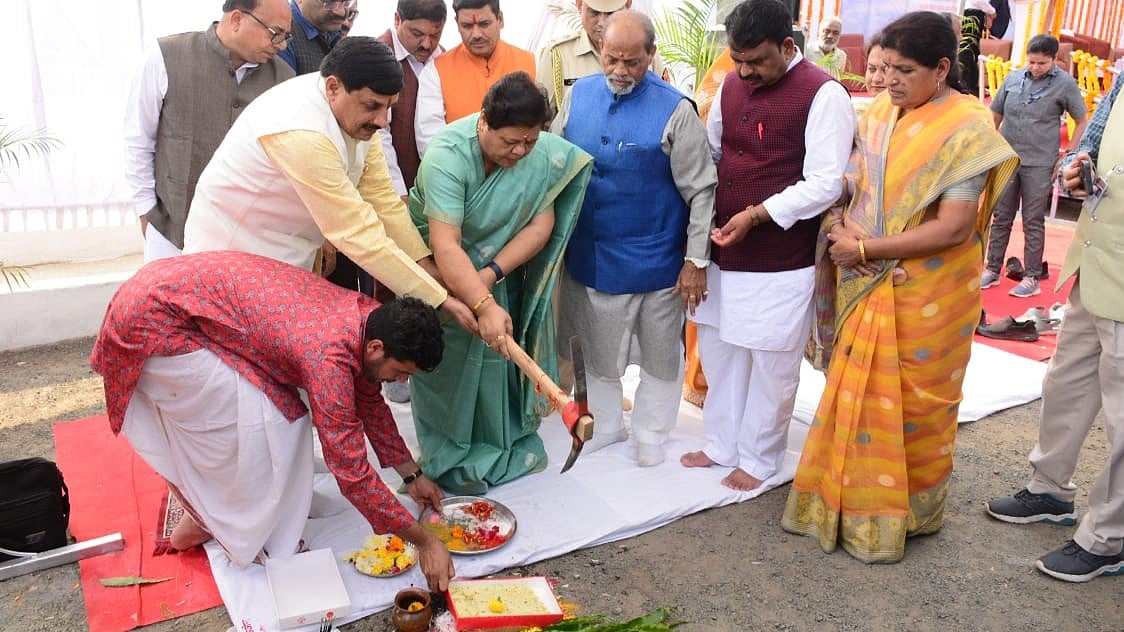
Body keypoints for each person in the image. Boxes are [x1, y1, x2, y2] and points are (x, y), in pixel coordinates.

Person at [781, 11, 1018, 564]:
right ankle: (843, 506)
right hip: (867, 278)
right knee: (855, 390)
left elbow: (954, 226)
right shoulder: (879, 114)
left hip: (927, 296)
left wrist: (864, 250)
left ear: (941, 69)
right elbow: (852, 183)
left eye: (902, 70)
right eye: (882, 67)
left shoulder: (966, 129)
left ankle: (903, 513)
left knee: (915, 405)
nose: (887, 80)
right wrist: (839, 225)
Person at [89, 251, 456, 591]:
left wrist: (413, 475)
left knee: (285, 417)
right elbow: (351, 473)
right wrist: (424, 542)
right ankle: (209, 515)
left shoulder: (368, 319)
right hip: (152, 322)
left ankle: (221, 507)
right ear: (377, 348)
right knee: (260, 422)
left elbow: (370, 402)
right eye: (401, 371)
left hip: (168, 297)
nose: (402, 382)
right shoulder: (328, 357)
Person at [678, 0, 855, 492]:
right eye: (737, 59)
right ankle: (721, 444)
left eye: (756, 60)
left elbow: (825, 183)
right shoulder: (731, 85)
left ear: (787, 46)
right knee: (719, 351)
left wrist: (757, 215)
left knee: (771, 362)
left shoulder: (823, 93)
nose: (744, 70)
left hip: (781, 259)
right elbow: (715, 152)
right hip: (722, 250)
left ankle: (760, 456)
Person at [184, 37, 475, 332]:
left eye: (389, 107)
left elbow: (380, 197)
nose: (382, 121)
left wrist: (425, 264)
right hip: (234, 257)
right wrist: (436, 297)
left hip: (286, 258)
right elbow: (357, 233)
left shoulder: (357, 112)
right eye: (373, 106)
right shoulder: (303, 132)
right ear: (333, 87)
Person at [408, 72, 593, 494]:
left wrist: (489, 280)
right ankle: (450, 456)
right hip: (437, 274)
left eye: (529, 142)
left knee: (493, 367)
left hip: (493, 271)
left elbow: (540, 225)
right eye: (510, 142)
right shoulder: (447, 156)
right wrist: (479, 302)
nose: (520, 152)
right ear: (484, 121)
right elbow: (446, 244)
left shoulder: (538, 154)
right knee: (446, 367)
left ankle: (497, 446)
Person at [553, 10, 716, 466]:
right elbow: (552, 163)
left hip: (657, 263)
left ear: (651, 54)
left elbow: (702, 190)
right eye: (611, 60)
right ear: (599, 48)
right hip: (592, 258)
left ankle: (651, 433)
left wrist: (695, 260)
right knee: (599, 354)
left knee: (661, 358)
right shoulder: (578, 95)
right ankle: (607, 426)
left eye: (632, 62)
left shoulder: (676, 109)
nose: (620, 72)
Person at [986, 75, 1124, 583]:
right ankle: (1049, 488)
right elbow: (1091, 141)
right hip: (1096, 261)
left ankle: (1109, 537)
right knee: (1066, 382)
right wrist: (1075, 169)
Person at [123, 0, 295, 262]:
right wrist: (146, 210)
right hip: (171, 233)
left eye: (286, 36)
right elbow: (138, 140)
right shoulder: (166, 56)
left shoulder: (284, 80)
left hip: (248, 242)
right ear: (237, 20)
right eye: (275, 34)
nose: (281, 45)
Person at [982, 34, 1088, 299]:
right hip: (1007, 158)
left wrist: (1068, 155)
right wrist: (987, 145)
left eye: (1042, 63)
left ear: (1054, 60)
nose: (1035, 67)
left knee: (1032, 220)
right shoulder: (1014, 78)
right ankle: (992, 268)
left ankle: (1031, 276)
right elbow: (995, 113)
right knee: (1001, 216)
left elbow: (1081, 120)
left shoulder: (1065, 84)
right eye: (1031, 62)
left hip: (1040, 161)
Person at [414, 0, 536, 154]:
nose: (476, 34)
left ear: (500, 19)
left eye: (484, 24)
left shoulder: (530, 63)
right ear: (457, 24)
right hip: (458, 172)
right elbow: (430, 143)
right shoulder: (436, 71)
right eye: (467, 26)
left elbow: (543, 133)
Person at [536, 0, 665, 114]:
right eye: (594, 12)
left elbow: (662, 107)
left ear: (628, 4)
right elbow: (540, 124)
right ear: (579, 4)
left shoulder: (646, 56)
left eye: (611, 13)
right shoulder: (557, 56)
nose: (602, 22)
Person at [377, 0, 447, 196]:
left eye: (435, 35)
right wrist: (398, 191)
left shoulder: (445, 61)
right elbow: (378, 135)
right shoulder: (377, 58)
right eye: (417, 34)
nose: (427, 44)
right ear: (397, 19)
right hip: (388, 189)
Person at [278, 0, 351, 74]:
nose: (341, 12)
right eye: (329, 2)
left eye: (346, 2)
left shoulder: (335, 35)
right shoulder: (280, 32)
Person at [957, 0, 995, 96]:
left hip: (971, 13)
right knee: (968, 50)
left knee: (972, 51)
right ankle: (966, 86)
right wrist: (992, 11)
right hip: (971, 14)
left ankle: (971, 86)